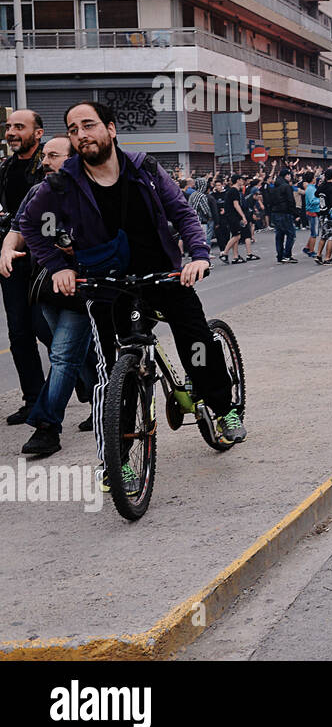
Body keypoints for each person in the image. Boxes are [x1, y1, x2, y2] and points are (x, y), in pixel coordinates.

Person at [20, 102, 245, 484]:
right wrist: (59, 268)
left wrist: (199, 256)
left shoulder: (144, 169)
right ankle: (117, 460)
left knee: (196, 342)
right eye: (73, 129)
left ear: (110, 128)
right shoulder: (61, 184)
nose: (81, 134)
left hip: (164, 274)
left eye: (89, 125)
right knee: (114, 372)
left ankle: (224, 408)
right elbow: (32, 224)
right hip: (107, 286)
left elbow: (183, 214)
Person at [1, 137, 93, 457]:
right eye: (44, 156)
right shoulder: (38, 191)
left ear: (73, 158)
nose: (44, 161)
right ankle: (101, 401)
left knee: (65, 353)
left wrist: (76, 246)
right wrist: (6, 250)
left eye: (52, 155)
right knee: (70, 348)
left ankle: (47, 426)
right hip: (47, 286)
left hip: (86, 284)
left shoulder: (93, 187)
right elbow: (18, 227)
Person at [0, 109, 52, 425]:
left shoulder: (47, 167)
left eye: (19, 126)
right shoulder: (6, 168)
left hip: (46, 260)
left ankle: (93, 390)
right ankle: (33, 399)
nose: (11, 132)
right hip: (14, 260)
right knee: (19, 333)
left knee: (47, 328)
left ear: (38, 133)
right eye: (9, 127)